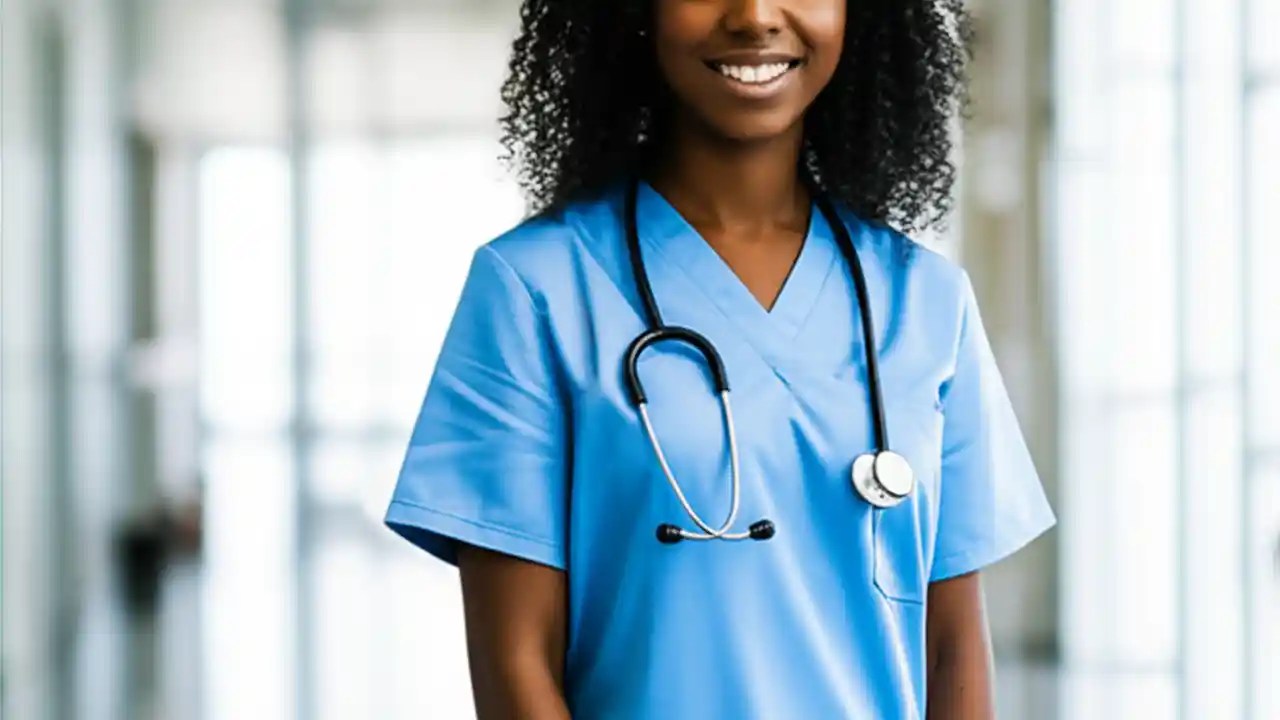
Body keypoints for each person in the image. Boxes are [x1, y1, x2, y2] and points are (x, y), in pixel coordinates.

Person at [384, 1, 1056, 717]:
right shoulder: (534, 290)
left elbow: (952, 648)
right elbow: (517, 665)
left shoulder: (926, 301)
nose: (755, 15)